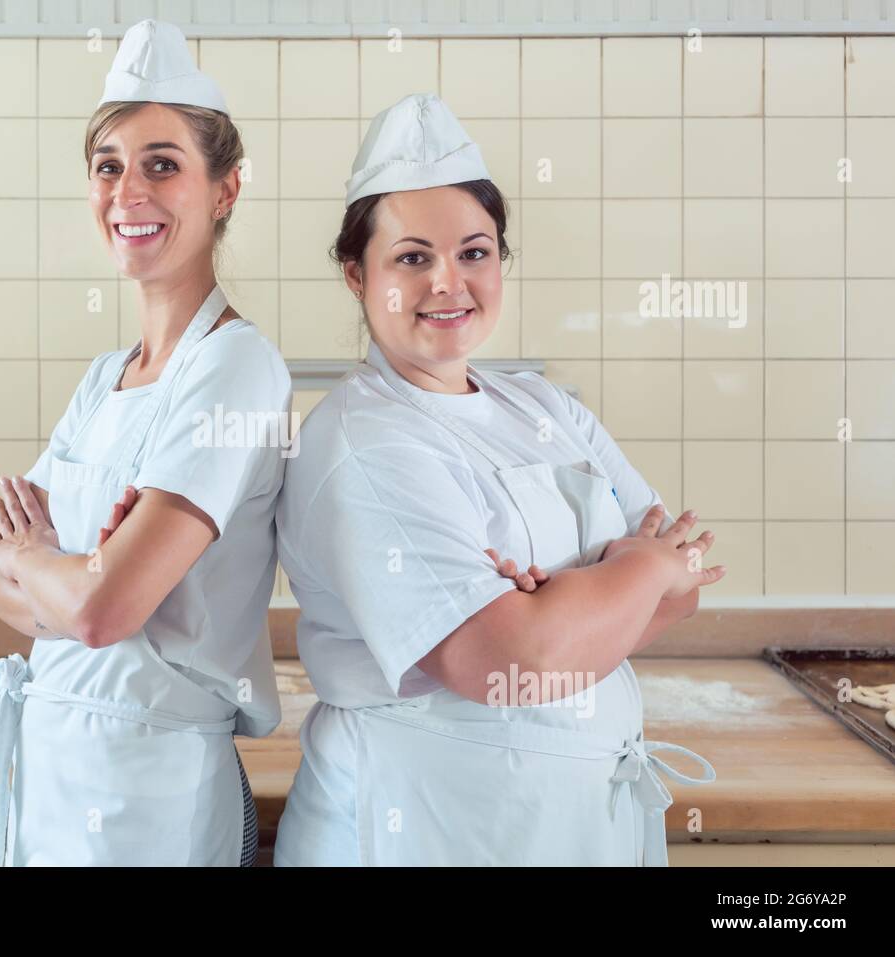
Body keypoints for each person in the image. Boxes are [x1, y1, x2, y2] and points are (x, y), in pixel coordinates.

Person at [273, 93, 721, 867]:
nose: (450, 282)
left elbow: (687, 587)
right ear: (356, 273)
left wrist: (558, 609)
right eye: (413, 257)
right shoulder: (364, 441)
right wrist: (633, 568)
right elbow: (506, 663)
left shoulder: (541, 405)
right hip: (429, 827)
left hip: (570, 827)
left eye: (475, 252)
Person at [0, 20, 291, 866]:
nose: (127, 191)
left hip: (150, 795)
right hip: (50, 777)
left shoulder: (239, 368)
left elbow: (103, 608)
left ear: (224, 191)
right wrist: (75, 580)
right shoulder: (104, 378)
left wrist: (47, 563)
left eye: (162, 164)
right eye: (108, 166)